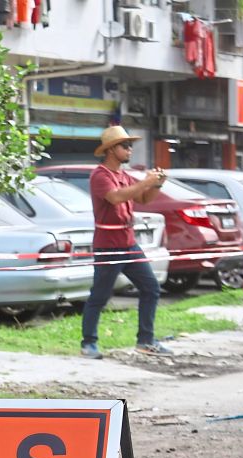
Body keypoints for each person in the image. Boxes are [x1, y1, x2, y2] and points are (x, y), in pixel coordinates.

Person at [80, 125, 173, 360]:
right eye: (125, 146)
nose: (130, 150)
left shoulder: (124, 176)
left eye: (130, 146)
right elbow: (116, 197)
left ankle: (146, 341)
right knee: (100, 296)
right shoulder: (100, 175)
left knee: (151, 288)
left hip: (129, 243)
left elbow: (144, 199)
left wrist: (157, 184)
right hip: (108, 245)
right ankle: (88, 343)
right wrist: (145, 181)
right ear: (111, 149)